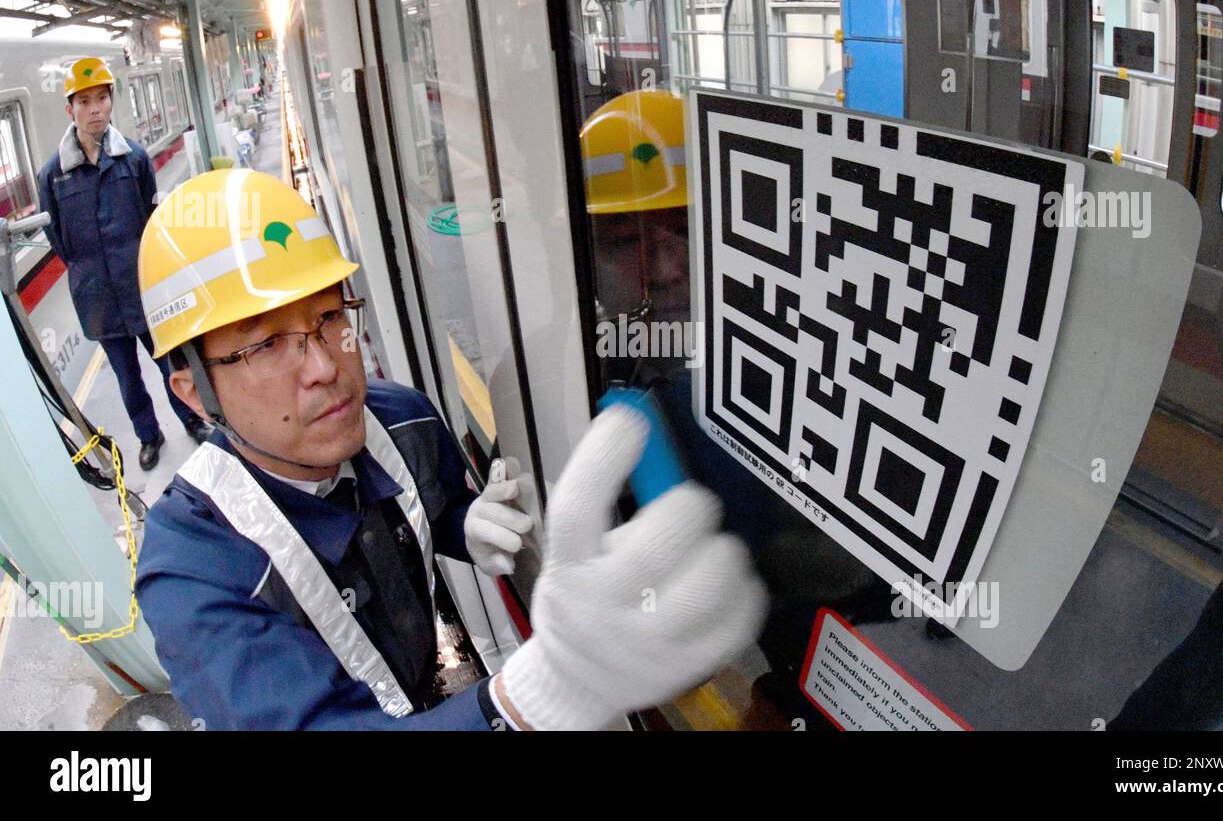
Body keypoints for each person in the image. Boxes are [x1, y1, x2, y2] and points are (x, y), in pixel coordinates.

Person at [135, 168, 767, 730]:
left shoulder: (399, 420)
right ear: (195, 394)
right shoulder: (193, 573)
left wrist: (470, 526)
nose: (325, 367)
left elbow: (434, 509)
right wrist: (536, 694)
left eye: (329, 318)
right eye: (266, 344)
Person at [36, 56, 210, 471]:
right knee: (126, 376)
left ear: (111, 102)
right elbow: (58, 240)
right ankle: (149, 436)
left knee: (170, 360)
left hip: (143, 289)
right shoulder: (53, 176)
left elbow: (151, 221)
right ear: (70, 110)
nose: (95, 108)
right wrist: (90, 272)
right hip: (96, 296)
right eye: (84, 101)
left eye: (102, 98)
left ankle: (191, 418)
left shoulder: (133, 158)